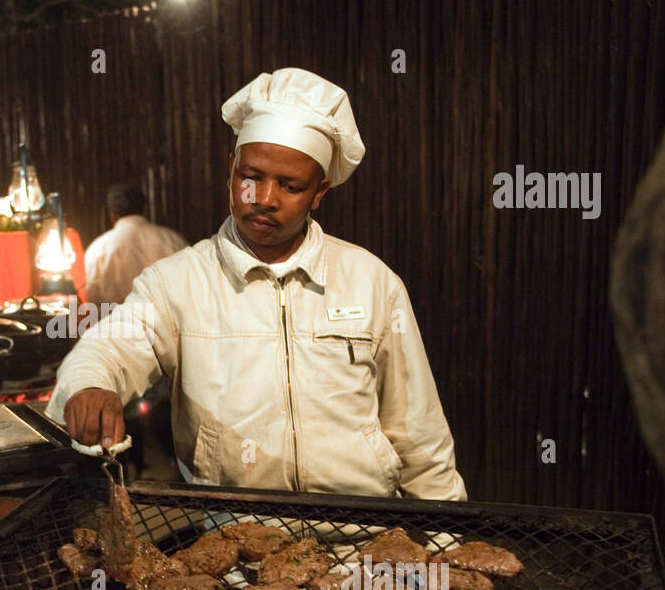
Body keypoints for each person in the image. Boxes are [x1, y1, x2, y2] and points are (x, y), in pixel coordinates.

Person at [46, 68, 466, 500]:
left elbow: (419, 431)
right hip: (240, 537)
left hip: (366, 534)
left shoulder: (371, 281)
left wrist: (445, 535)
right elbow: (106, 349)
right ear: (231, 170)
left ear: (319, 192)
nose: (263, 198)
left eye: (290, 185)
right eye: (251, 176)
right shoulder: (175, 283)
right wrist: (90, 386)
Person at [83, 184, 188, 306]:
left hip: (118, 323)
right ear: (143, 208)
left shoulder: (99, 249)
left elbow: (90, 297)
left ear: (113, 215)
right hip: (168, 323)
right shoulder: (173, 240)